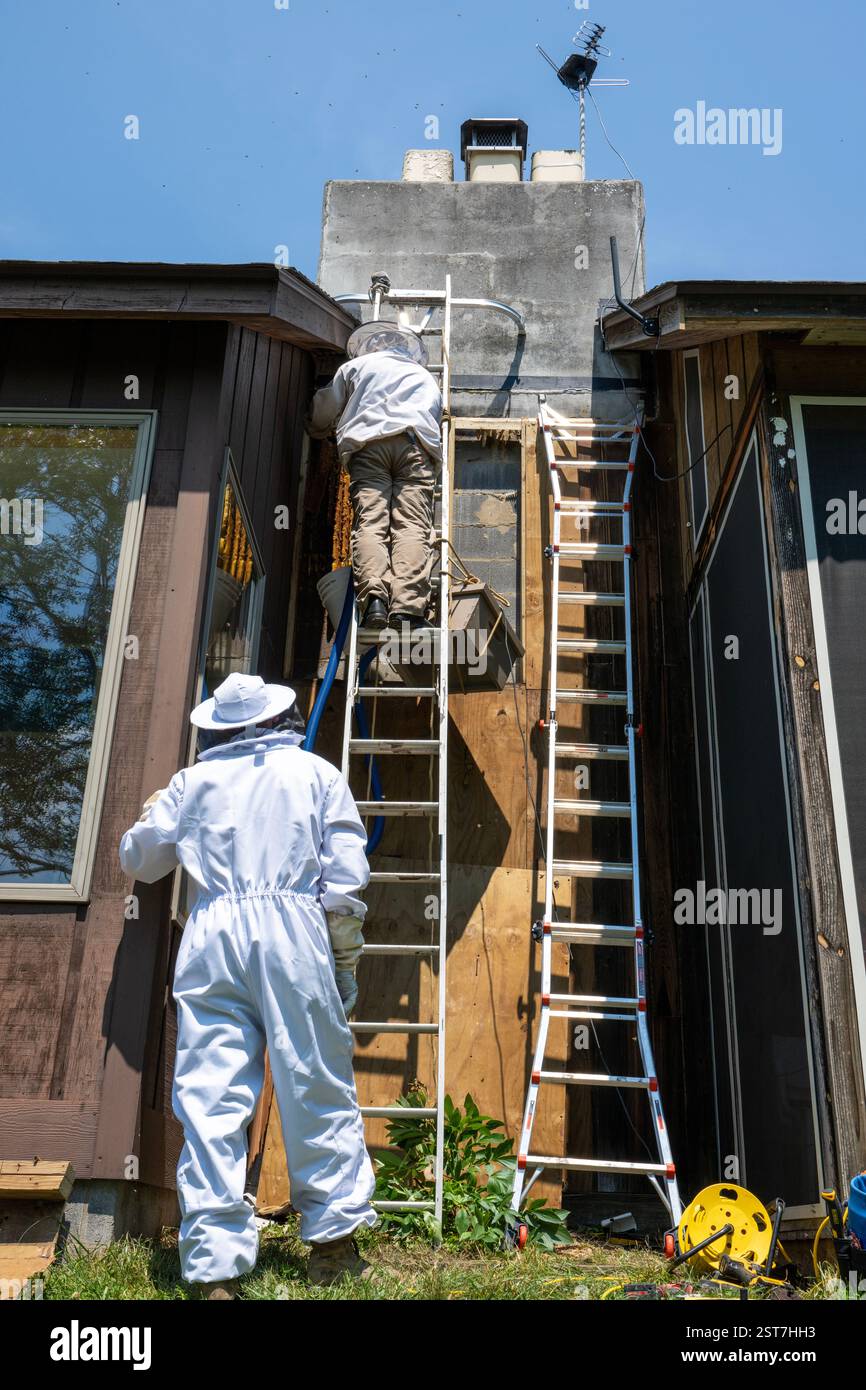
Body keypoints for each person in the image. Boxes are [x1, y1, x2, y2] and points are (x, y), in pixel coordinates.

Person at [119, 672, 377, 1298]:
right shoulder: (317, 774)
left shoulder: (193, 782)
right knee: (315, 1082)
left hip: (214, 933)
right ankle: (333, 1246)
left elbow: (139, 860)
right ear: (275, 719)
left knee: (210, 1094)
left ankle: (214, 1270)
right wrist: (342, 964)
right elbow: (343, 886)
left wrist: (156, 811)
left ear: (222, 728)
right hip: (295, 932)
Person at [306, 321, 442, 631]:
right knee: (412, 527)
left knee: (371, 523)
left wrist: (315, 429)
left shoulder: (356, 366)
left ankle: (375, 603)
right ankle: (407, 610)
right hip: (415, 449)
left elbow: (323, 411)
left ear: (373, 345)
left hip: (368, 448)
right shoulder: (424, 376)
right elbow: (434, 417)